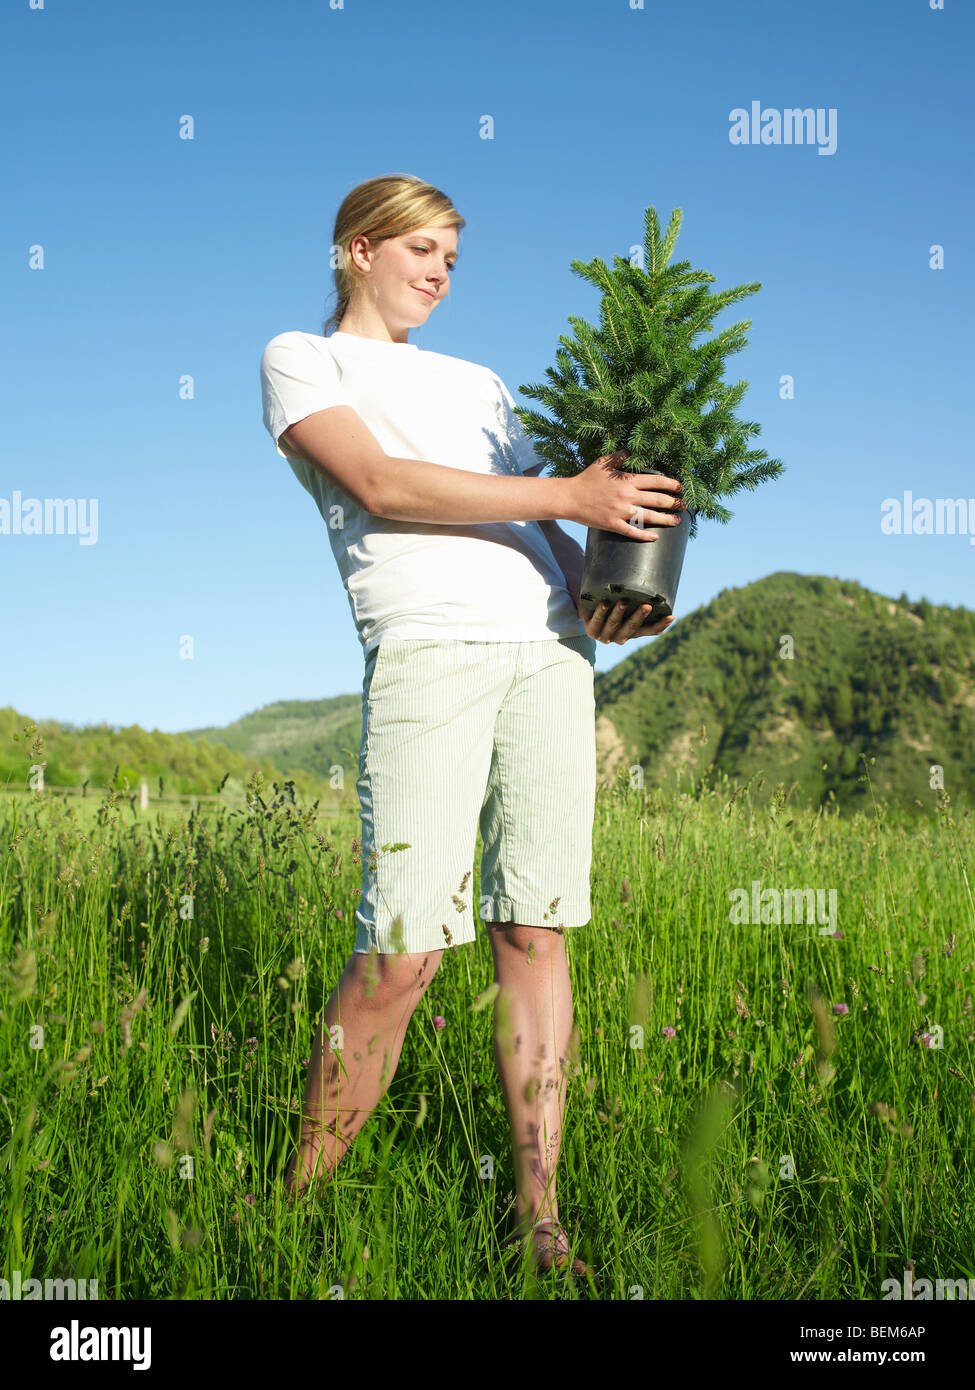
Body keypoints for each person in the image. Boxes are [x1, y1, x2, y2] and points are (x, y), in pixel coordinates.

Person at [259, 173, 684, 1278]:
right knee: (404, 952)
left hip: (549, 655)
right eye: (423, 251)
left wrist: (605, 591)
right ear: (359, 249)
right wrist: (567, 500)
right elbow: (386, 485)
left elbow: (540, 524)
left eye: (454, 258)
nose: (442, 274)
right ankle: (284, 1212)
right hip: (425, 653)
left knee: (535, 930)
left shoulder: (483, 379)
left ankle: (540, 1218)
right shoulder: (302, 361)